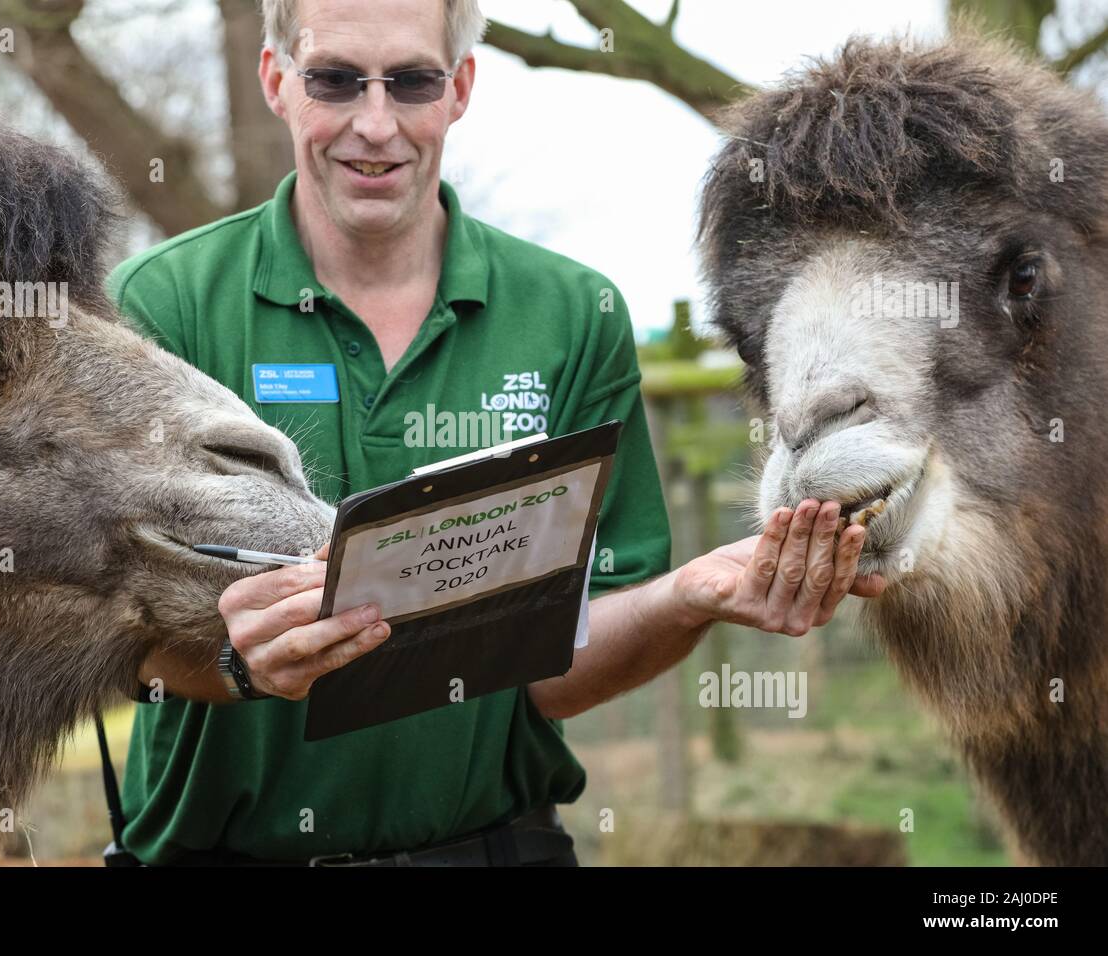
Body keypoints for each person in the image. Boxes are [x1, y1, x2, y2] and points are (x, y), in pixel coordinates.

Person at [106, 0, 885, 867]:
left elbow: (555, 678)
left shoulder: (569, 314)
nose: (375, 125)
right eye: (335, 80)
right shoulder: (160, 306)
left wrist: (685, 597)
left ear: (460, 88)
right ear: (277, 81)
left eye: (412, 82)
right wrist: (235, 663)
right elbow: (105, 639)